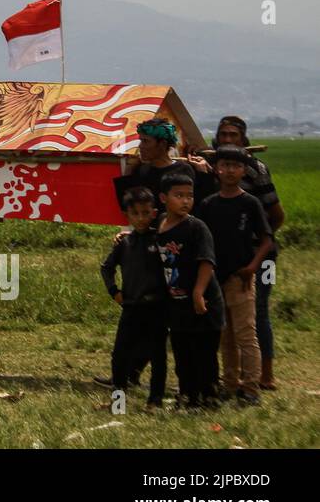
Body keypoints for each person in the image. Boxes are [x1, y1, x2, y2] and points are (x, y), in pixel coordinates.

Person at [214, 116, 285, 390]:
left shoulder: (256, 169)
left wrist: (256, 241)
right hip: (229, 260)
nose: (228, 140)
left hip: (262, 257)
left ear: (244, 140)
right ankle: (234, 378)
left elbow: (277, 215)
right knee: (229, 320)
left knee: (259, 311)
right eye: (223, 135)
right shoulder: (214, 168)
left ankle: (265, 375)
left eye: (233, 135)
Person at [200, 146, 272, 405]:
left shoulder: (250, 203)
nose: (230, 170)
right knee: (225, 336)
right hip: (216, 280)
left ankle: (251, 388)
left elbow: (266, 240)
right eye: (225, 165)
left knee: (246, 335)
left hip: (241, 279)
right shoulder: (209, 204)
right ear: (217, 170)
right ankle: (230, 385)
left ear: (244, 170)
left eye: (236, 165)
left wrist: (252, 267)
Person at [156, 171, 224, 409]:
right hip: (177, 303)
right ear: (164, 198)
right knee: (182, 351)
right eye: (179, 195)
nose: (186, 201)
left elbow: (207, 261)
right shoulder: (160, 225)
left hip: (204, 302)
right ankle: (187, 395)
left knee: (204, 352)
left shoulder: (196, 227)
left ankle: (209, 397)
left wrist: (198, 292)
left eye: (189, 196)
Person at [100, 186, 167, 410]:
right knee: (120, 354)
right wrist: (114, 292)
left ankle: (155, 400)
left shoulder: (161, 241)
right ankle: (118, 401)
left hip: (157, 307)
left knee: (158, 355)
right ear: (127, 215)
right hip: (131, 306)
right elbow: (106, 268)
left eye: (146, 213)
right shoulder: (124, 244)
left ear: (154, 213)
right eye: (136, 214)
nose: (141, 218)